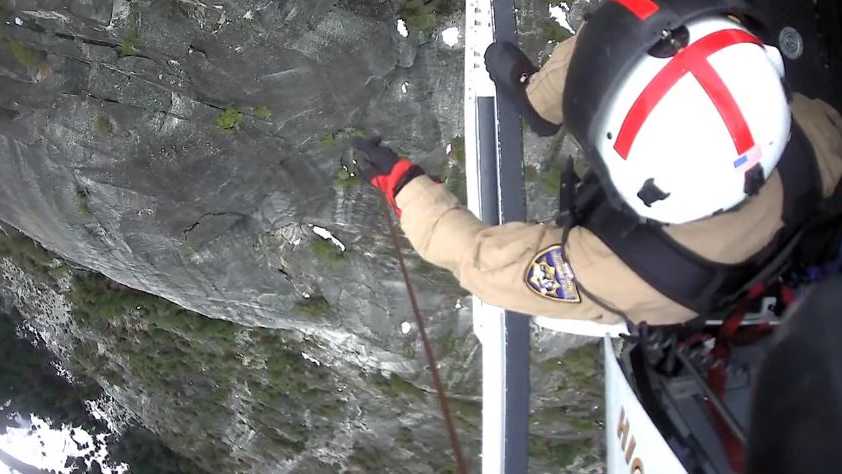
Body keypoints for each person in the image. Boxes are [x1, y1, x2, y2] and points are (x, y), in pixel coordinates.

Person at [352, 0, 842, 326]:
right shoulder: (813, 129)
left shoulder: (623, 272)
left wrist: (405, 186)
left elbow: (482, 262)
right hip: (771, 216)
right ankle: (541, 100)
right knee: (633, 35)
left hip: (677, 286)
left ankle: (538, 100)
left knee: (619, 44)